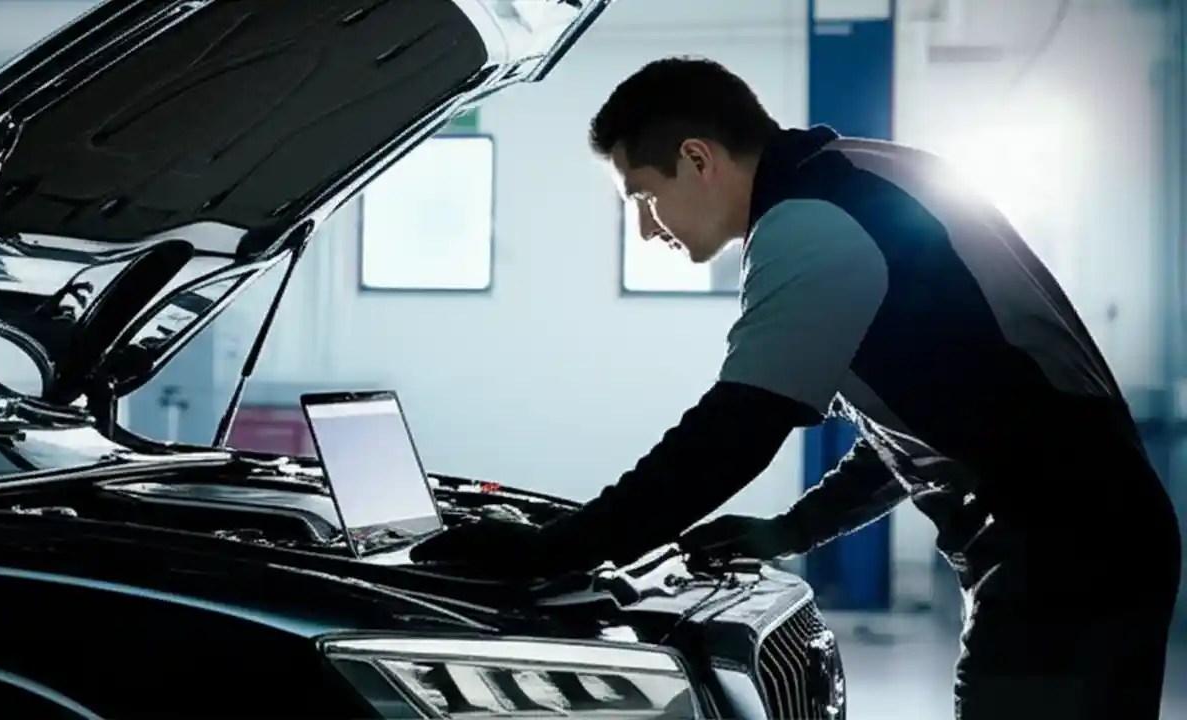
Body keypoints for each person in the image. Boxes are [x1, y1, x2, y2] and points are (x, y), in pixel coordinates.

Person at [411, 56, 1182, 718]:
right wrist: (793, 529)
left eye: (645, 196)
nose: (648, 229)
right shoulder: (866, 174)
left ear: (698, 157)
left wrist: (553, 552)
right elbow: (928, 430)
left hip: (1064, 558)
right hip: (1093, 539)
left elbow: (735, 430)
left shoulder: (810, 221)